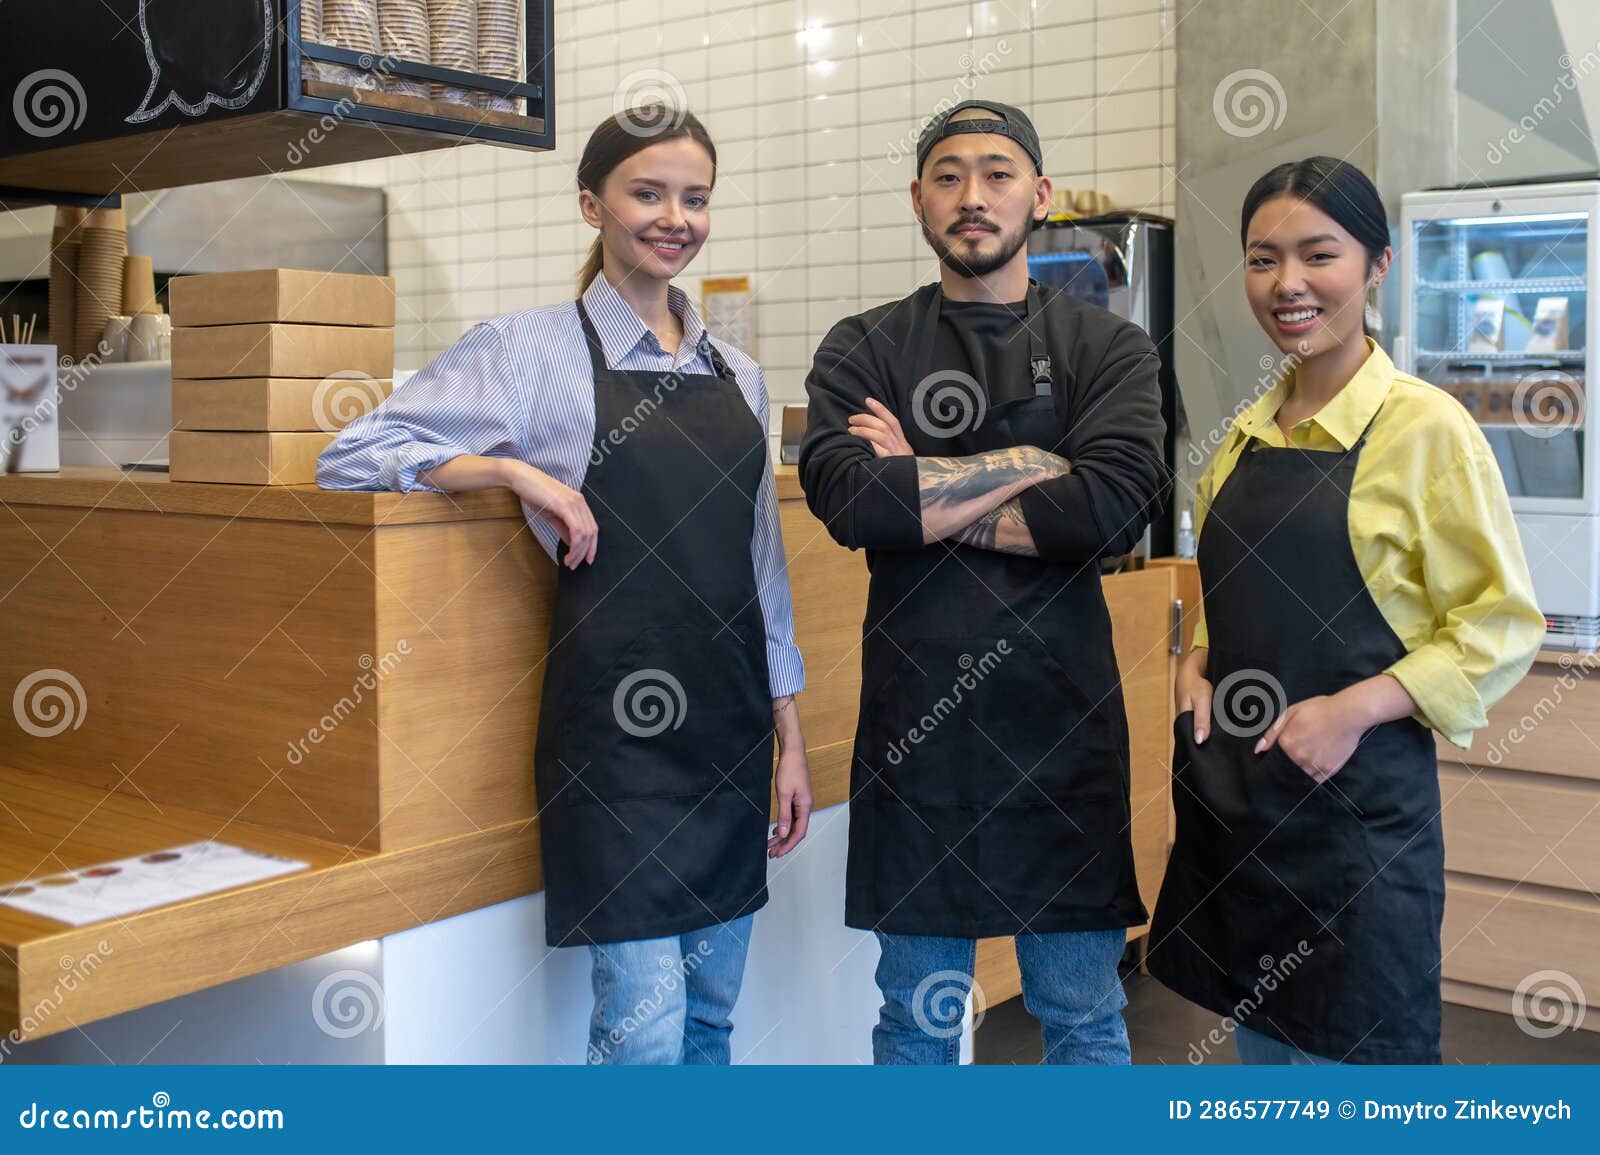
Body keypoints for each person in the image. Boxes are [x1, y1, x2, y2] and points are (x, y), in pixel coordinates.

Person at [317, 106, 813, 1065]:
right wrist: (512, 473)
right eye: (648, 193)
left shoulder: (739, 373)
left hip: (731, 733)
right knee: (646, 1034)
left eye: (696, 198)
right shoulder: (530, 351)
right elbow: (356, 451)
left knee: (712, 1019)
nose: (676, 217)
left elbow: (763, 565)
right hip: (617, 751)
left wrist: (789, 734)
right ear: (592, 204)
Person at [1147, 156, 1544, 1065]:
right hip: (1241, 813)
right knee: (1263, 1074)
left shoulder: (1427, 429)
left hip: (1359, 830)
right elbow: (1230, 599)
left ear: (1377, 265)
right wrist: (1195, 663)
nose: (1287, 284)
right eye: (1262, 258)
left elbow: (1500, 621)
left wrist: (1357, 706)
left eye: (1317, 254)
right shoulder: (1240, 438)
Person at [798, 100, 1166, 1064]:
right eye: (950, 175)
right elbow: (852, 504)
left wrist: (920, 474)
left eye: (999, 173)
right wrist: (1042, 464)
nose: (974, 196)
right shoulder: (862, 344)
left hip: (1063, 737)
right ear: (918, 199)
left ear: (1039, 196)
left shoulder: (1109, 347)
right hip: (918, 742)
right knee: (914, 1024)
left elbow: (1112, 512)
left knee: (1082, 1015)